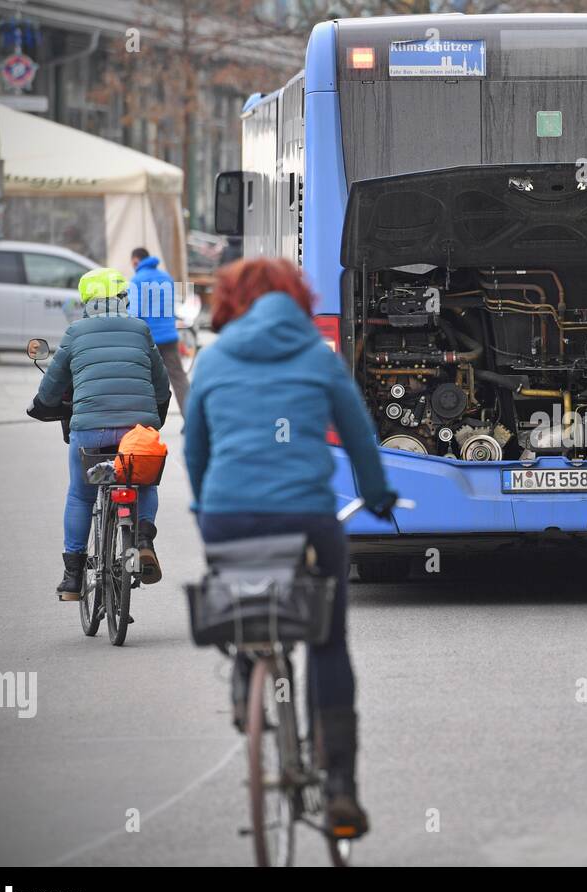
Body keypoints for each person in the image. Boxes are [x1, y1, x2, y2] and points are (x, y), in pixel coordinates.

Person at [184, 257, 396, 837]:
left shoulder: (214, 359)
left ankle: (243, 675)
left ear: (232, 302)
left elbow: (196, 451)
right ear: (296, 299)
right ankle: (340, 789)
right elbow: (360, 440)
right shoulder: (315, 359)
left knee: (248, 591)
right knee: (326, 639)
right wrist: (379, 496)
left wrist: (208, 509)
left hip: (228, 517)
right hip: (305, 518)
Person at [31, 267, 171, 599]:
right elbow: (162, 385)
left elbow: (52, 386)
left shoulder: (76, 332)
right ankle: (143, 541)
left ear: (88, 300)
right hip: (137, 431)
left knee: (81, 494)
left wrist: (41, 405)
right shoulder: (140, 330)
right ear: (122, 298)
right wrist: (157, 414)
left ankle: (73, 578)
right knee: (144, 478)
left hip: (90, 431)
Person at [128, 247, 191, 418]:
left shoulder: (137, 280)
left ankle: (145, 422)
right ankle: (191, 419)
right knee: (179, 378)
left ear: (135, 261)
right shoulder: (166, 278)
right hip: (169, 337)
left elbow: (134, 313)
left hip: (149, 340)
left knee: (144, 380)